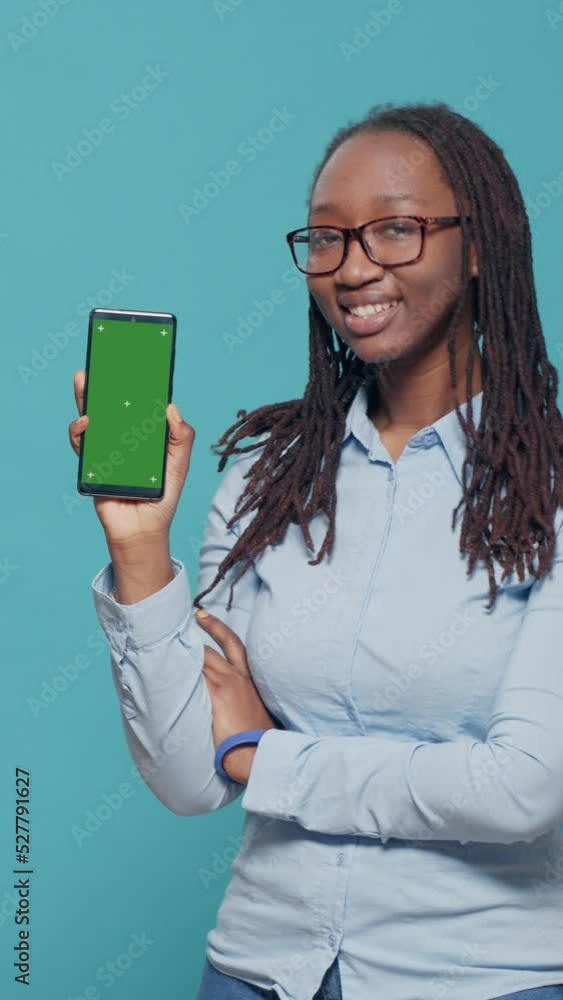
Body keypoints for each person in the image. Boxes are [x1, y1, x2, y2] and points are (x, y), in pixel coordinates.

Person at [68, 101, 563, 1000]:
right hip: (259, 970)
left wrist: (267, 755)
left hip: (480, 978)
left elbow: (518, 790)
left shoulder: (550, 488)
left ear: (480, 242)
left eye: (396, 230)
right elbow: (190, 777)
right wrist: (141, 551)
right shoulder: (270, 476)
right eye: (326, 240)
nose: (353, 267)